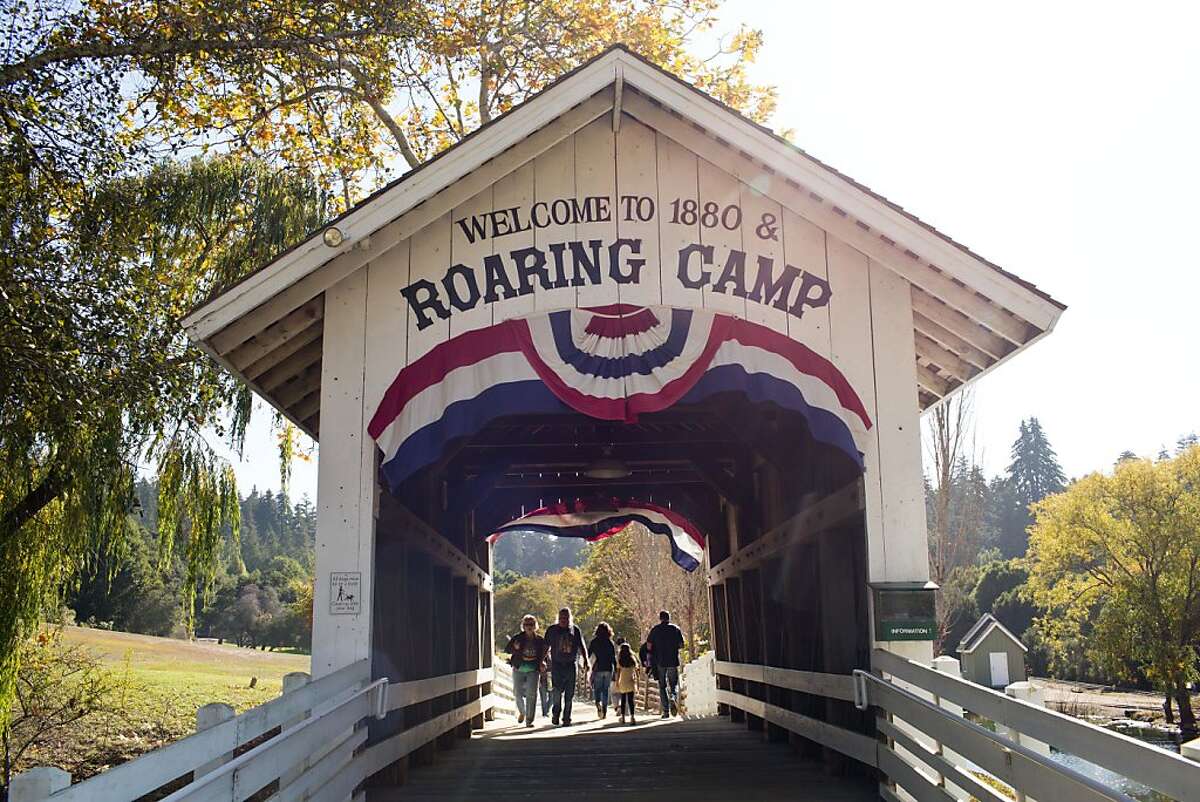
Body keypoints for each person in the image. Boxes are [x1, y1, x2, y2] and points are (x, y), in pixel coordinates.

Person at [543, 607, 588, 726]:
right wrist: (541, 661)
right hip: (557, 665)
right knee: (557, 692)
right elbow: (545, 647)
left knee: (569, 693)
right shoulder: (552, 630)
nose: (564, 620)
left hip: (570, 665)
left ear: (570, 618)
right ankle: (556, 713)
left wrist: (586, 662)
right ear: (558, 618)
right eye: (561, 618)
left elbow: (582, 647)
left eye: (566, 618)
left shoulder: (575, 630)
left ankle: (567, 718)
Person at [504, 614, 547, 728]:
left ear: (535, 626)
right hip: (519, 668)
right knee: (517, 693)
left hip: (533, 670)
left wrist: (543, 663)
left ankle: (529, 720)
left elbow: (545, 652)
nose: (529, 626)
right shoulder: (518, 638)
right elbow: (507, 649)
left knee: (531, 694)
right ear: (523, 626)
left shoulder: (539, 640)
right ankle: (522, 712)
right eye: (526, 624)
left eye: (531, 624)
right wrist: (515, 648)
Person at [646, 610, 684, 718]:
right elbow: (681, 645)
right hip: (673, 660)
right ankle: (673, 696)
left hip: (660, 661)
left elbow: (649, 645)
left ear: (660, 618)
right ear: (669, 618)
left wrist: (653, 651)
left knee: (662, 686)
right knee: (674, 684)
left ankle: (666, 711)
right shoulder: (675, 629)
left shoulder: (655, 630)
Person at [588, 622, 616, 718]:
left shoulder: (594, 642)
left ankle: (597, 703)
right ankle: (604, 709)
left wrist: (586, 664)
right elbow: (613, 658)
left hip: (598, 668)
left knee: (597, 689)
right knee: (605, 690)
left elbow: (588, 654)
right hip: (608, 668)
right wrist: (615, 670)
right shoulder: (610, 642)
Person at [614, 642, 638, 725]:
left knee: (623, 700)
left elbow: (618, 672)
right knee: (631, 700)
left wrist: (617, 682)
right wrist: (636, 682)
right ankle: (632, 717)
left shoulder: (620, 661)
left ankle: (623, 717)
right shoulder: (632, 660)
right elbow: (635, 672)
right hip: (630, 681)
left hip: (622, 682)